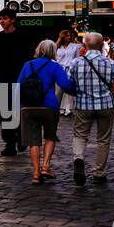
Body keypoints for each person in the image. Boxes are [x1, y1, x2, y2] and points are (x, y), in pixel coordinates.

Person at [65, 32, 114, 186]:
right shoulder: (110, 63)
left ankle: (78, 158)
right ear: (102, 44)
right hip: (106, 105)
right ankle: (99, 172)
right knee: (103, 140)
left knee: (80, 135)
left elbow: (68, 85)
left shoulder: (76, 62)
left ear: (85, 45)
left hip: (84, 105)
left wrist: (79, 93)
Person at [17, 41, 76, 184]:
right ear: (53, 52)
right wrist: (78, 91)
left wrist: (18, 107)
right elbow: (66, 85)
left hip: (28, 107)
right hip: (49, 106)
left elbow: (18, 86)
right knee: (50, 136)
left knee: (33, 141)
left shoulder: (27, 65)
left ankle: (36, 173)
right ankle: (46, 166)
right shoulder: (55, 66)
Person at [0, 8, 33, 156]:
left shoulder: (23, 36)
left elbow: (29, 58)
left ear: (13, 19)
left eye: (5, 18)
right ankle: (9, 143)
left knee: (19, 110)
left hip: (20, 78)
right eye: (0, 19)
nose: (2, 21)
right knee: (4, 112)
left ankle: (21, 136)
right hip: (2, 78)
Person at [54, 30, 81, 117]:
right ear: (62, 37)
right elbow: (54, 58)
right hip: (59, 70)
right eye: (67, 36)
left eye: (70, 35)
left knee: (69, 90)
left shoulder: (75, 46)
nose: (69, 37)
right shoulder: (56, 46)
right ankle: (58, 108)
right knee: (58, 90)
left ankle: (68, 108)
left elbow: (77, 58)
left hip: (70, 69)